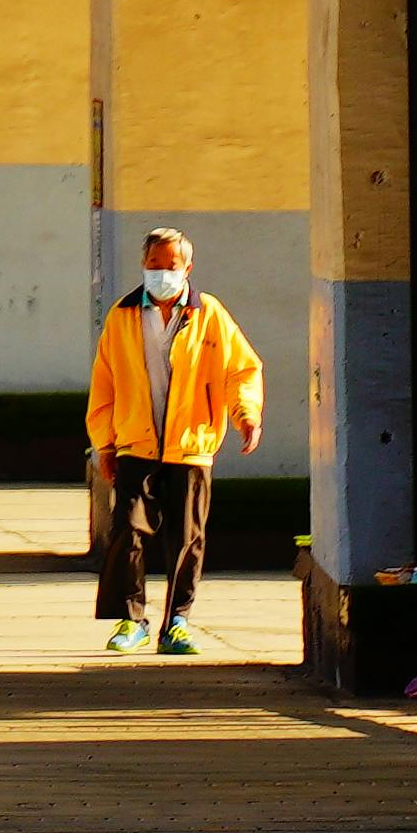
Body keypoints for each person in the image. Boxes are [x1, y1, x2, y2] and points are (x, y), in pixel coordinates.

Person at [88, 226, 267, 654]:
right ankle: (131, 620)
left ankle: (178, 623)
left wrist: (246, 414)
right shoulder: (123, 315)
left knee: (187, 537)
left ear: (188, 268)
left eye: (171, 266)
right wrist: (105, 443)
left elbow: (241, 369)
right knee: (128, 530)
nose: (162, 273)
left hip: (191, 445)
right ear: (143, 264)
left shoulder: (210, 314)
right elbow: (105, 383)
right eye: (154, 264)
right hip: (136, 443)